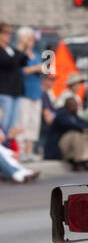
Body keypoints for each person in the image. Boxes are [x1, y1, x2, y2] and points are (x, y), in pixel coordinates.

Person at [44, 95, 88, 170]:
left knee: (87, 134)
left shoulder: (73, 114)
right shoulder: (61, 114)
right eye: (73, 105)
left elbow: (82, 122)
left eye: (76, 105)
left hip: (66, 145)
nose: (75, 107)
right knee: (76, 134)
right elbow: (72, 125)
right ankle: (78, 161)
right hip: (57, 148)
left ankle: (86, 160)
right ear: (67, 105)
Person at [14, 27, 45, 160]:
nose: (31, 40)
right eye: (28, 38)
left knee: (34, 122)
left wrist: (42, 69)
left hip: (36, 92)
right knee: (23, 121)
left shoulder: (36, 55)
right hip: (24, 93)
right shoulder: (19, 54)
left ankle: (29, 151)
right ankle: (20, 151)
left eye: (32, 38)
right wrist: (36, 68)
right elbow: (19, 71)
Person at [0, 21, 22, 137]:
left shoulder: (10, 50)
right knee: (3, 124)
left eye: (10, 33)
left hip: (15, 91)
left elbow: (21, 63)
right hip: (4, 91)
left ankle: (7, 146)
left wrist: (25, 50)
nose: (9, 35)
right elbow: (8, 63)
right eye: (6, 32)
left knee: (12, 126)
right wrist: (18, 50)